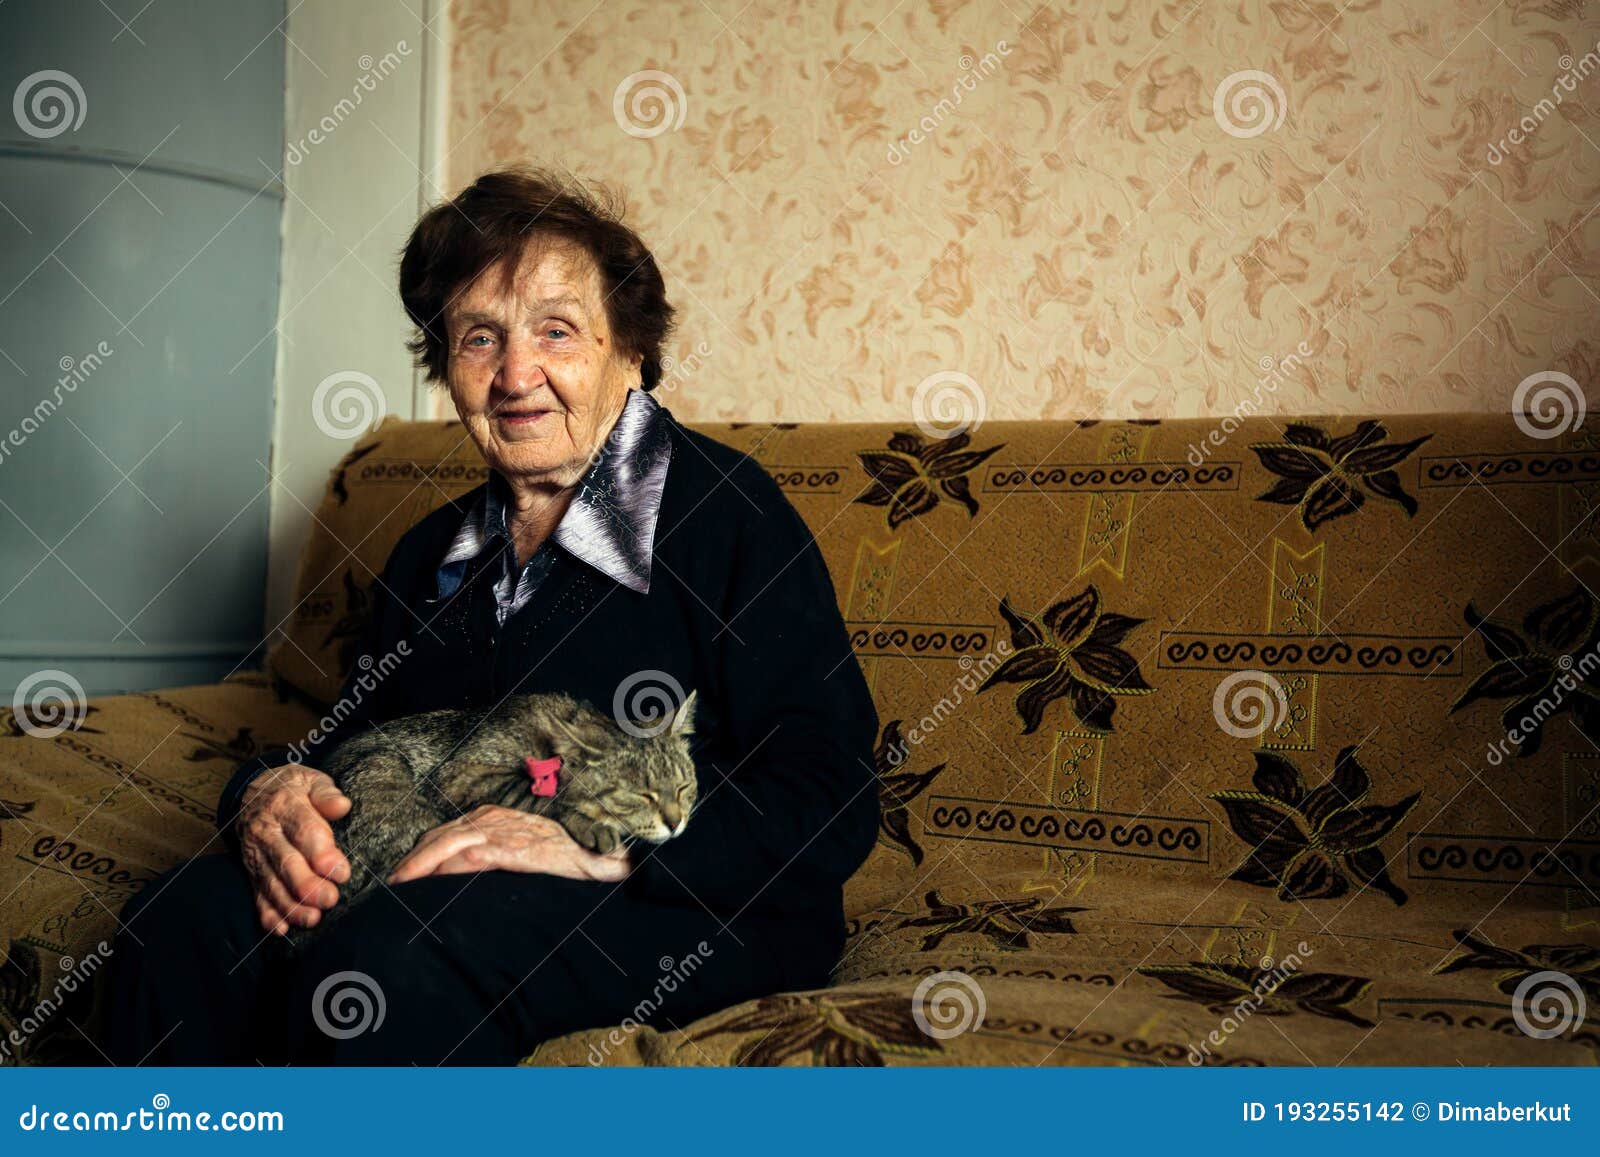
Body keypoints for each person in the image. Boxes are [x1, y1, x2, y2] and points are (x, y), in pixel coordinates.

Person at [104, 167, 880, 1065]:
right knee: (181, 924)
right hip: (446, 866)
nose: (516, 374)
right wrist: (265, 799)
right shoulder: (432, 552)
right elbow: (359, 746)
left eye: (556, 330)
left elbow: (830, 793)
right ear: (448, 368)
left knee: (384, 964)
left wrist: (599, 839)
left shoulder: (731, 518)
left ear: (630, 350)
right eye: (480, 337)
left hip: (693, 898)